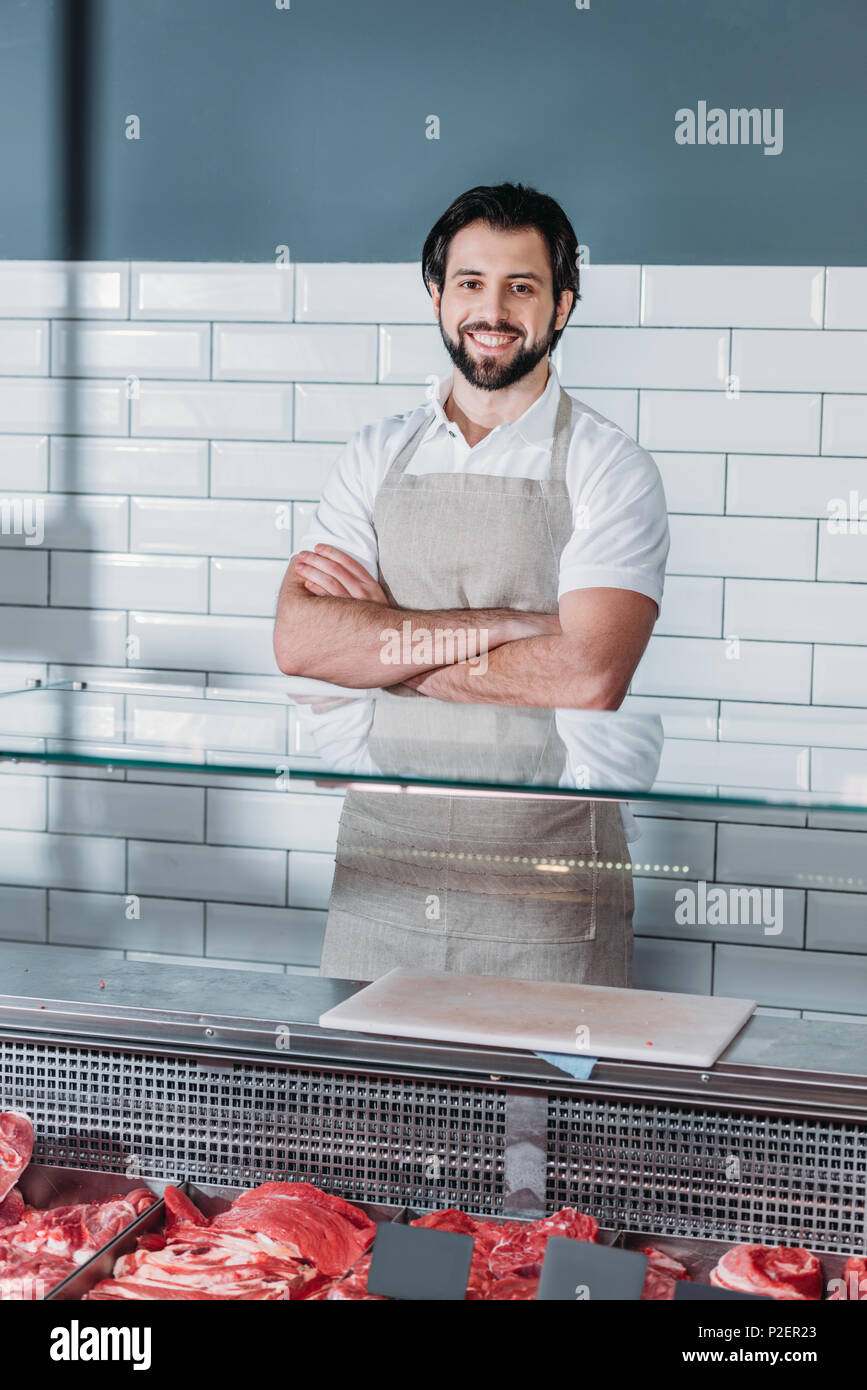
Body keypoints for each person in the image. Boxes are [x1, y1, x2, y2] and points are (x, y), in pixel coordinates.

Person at [274, 182, 669, 984]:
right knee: (363, 1109)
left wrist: (386, 638)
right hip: (386, 864)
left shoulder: (609, 466)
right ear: (435, 297)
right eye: (469, 283)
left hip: (547, 879)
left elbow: (589, 673)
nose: (492, 309)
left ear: (561, 305)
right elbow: (301, 641)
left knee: (540, 1113)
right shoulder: (373, 453)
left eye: (521, 286)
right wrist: (519, 627)